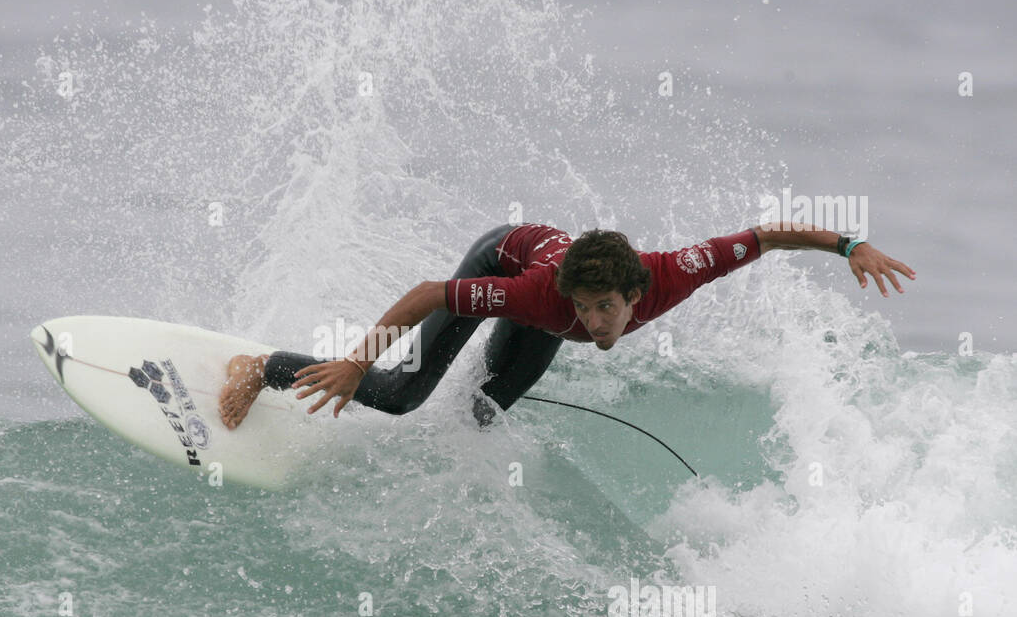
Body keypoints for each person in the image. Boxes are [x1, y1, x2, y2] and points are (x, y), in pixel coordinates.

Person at [217, 220, 915, 430]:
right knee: (401, 394)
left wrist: (853, 247)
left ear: (635, 293)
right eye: (585, 309)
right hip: (504, 256)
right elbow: (433, 292)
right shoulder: (539, 295)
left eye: (604, 309)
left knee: (483, 412)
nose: (595, 322)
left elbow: (764, 238)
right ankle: (262, 367)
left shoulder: (677, 270)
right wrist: (354, 359)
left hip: (545, 294)